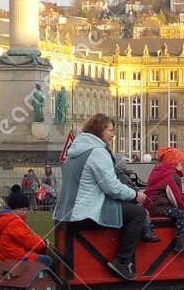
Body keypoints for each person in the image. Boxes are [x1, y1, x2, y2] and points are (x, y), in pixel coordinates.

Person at [52, 112, 148, 280]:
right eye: (110, 130)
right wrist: (135, 195)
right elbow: (112, 187)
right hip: (84, 215)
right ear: (99, 130)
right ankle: (121, 261)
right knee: (137, 213)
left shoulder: (75, 150)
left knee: (126, 209)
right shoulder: (97, 152)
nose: (113, 134)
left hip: (65, 213)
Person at [144, 145, 184, 252]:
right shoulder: (170, 176)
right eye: (180, 162)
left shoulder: (158, 171)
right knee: (181, 214)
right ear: (174, 162)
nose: (182, 165)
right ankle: (181, 240)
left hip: (151, 205)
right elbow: (176, 198)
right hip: (158, 206)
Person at [0, 185, 50, 267]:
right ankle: (40, 279)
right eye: (20, 209)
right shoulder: (14, 222)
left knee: (35, 254)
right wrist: (43, 243)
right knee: (46, 260)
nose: (24, 212)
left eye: (25, 209)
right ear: (12, 209)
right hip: (16, 256)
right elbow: (28, 240)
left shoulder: (2, 219)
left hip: (6, 255)